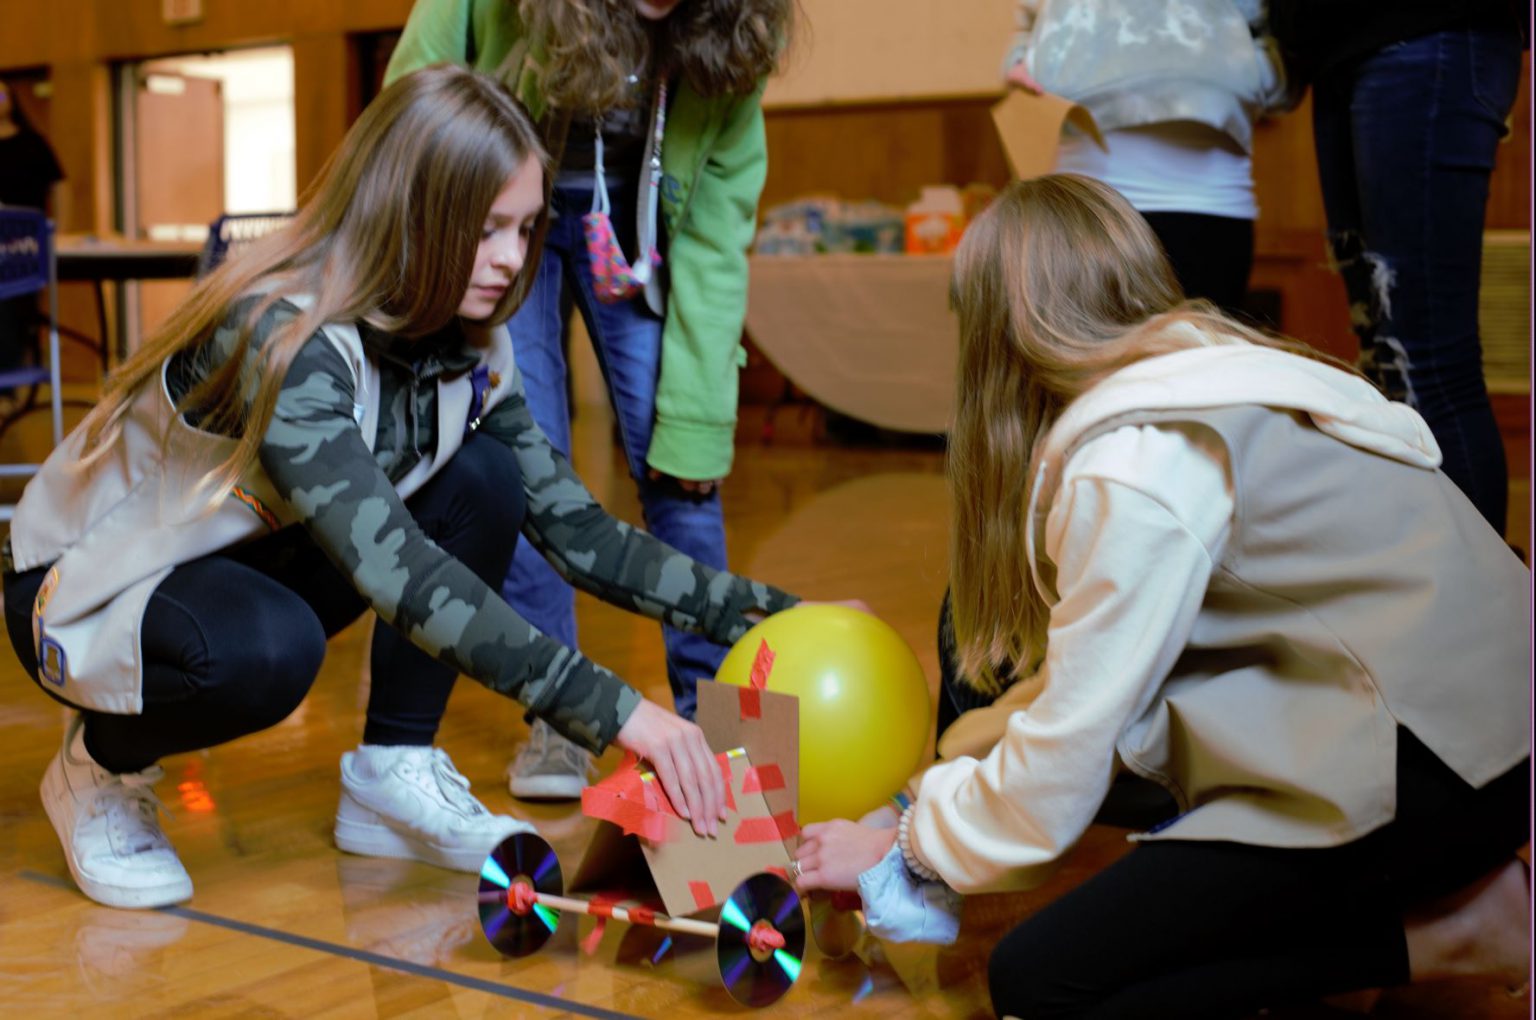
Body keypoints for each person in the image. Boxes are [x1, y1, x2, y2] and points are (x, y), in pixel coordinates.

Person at [3, 65, 804, 912]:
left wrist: (769, 612)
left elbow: (579, 533)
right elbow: (397, 570)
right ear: (409, 213)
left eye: (526, 228)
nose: (509, 258)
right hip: (87, 589)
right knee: (271, 650)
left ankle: (394, 766)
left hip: (244, 552)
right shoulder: (287, 333)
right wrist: (621, 716)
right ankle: (99, 763)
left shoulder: (469, 341)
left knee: (487, 479)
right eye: (485, 227)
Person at [789, 175, 1530, 1018]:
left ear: (994, 342)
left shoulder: (1131, 466)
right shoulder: (1210, 374)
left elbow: (1064, 766)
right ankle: (1429, 905)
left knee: (1043, 983)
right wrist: (927, 801)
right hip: (1486, 725)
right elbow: (1086, 685)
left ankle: (1460, 932)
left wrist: (910, 847)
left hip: (1447, 763)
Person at [384, 0, 794, 801]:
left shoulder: (732, 31)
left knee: (684, 469)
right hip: (500, 217)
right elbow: (414, 98)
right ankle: (562, 718)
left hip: (641, 227)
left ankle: (717, 736)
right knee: (525, 464)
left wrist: (698, 420)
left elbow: (716, 233)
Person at [1267, 0, 1527, 536]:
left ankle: (1479, 600)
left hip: (1426, 30)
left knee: (1426, 360)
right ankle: (1428, 584)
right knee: (1384, 359)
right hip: (1339, 51)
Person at [1003, 0, 1291, 315]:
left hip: (1206, 199)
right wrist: (1024, 61)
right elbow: (1030, 18)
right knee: (1084, 354)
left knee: (1200, 356)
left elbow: (1280, 29)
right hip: (1084, 200)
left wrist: (1245, 76)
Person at [0, 78, 68, 385]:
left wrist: (62, 231)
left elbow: (59, 186)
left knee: (17, 307)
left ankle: (11, 373)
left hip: (29, 247)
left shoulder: (33, 143)